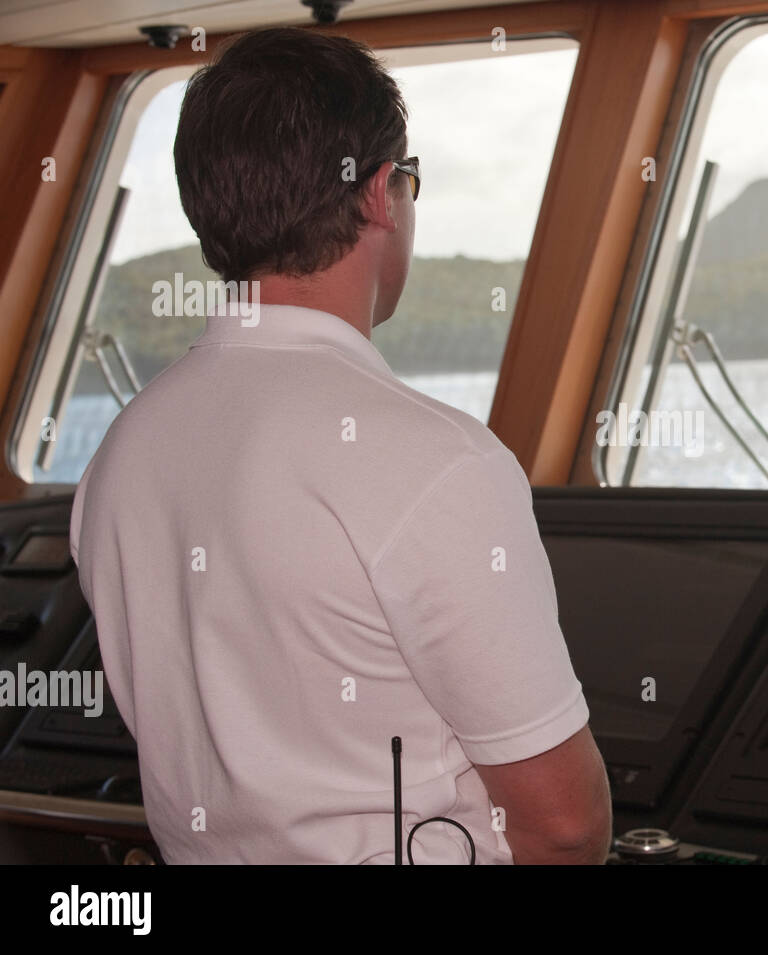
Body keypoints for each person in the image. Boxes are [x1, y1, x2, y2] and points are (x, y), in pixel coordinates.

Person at [69, 27, 611, 864]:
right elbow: (564, 827)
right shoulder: (439, 463)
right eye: (411, 181)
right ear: (380, 194)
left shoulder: (120, 455)